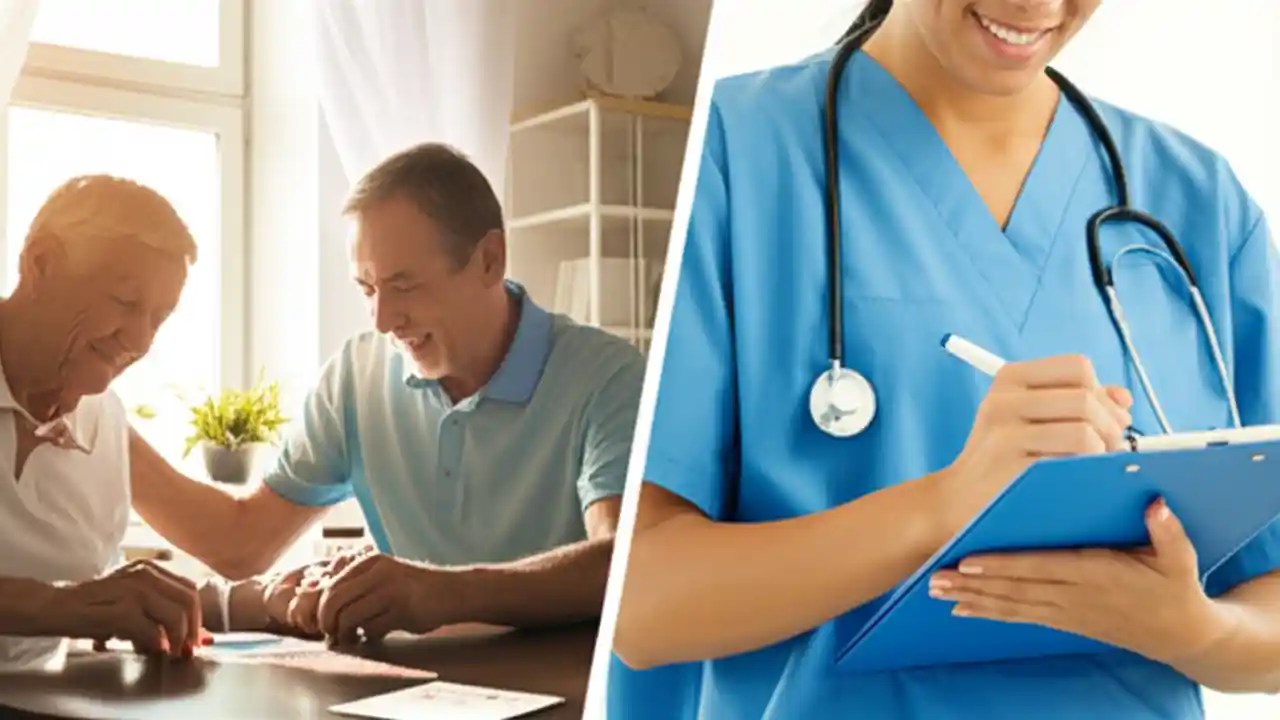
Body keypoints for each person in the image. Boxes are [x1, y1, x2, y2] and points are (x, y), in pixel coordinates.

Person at [610, 1, 1280, 718]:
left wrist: (1193, 630)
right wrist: (947, 503)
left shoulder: (1198, 203)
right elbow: (641, 605)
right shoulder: (736, 150)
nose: (1038, 6)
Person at [130, 142, 644, 642]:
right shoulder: (355, 377)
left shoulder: (608, 376)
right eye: (367, 289)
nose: (382, 321)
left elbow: (627, 560)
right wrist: (103, 427)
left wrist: (443, 592)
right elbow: (242, 543)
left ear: (490, 259)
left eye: (404, 285)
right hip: (411, 696)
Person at [0, 176, 204, 669]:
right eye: (126, 302)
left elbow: (102, 593)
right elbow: (76, 601)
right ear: (41, 263)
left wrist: (252, 603)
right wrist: (59, 605)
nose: (141, 340)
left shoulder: (104, 422)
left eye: (159, 318)